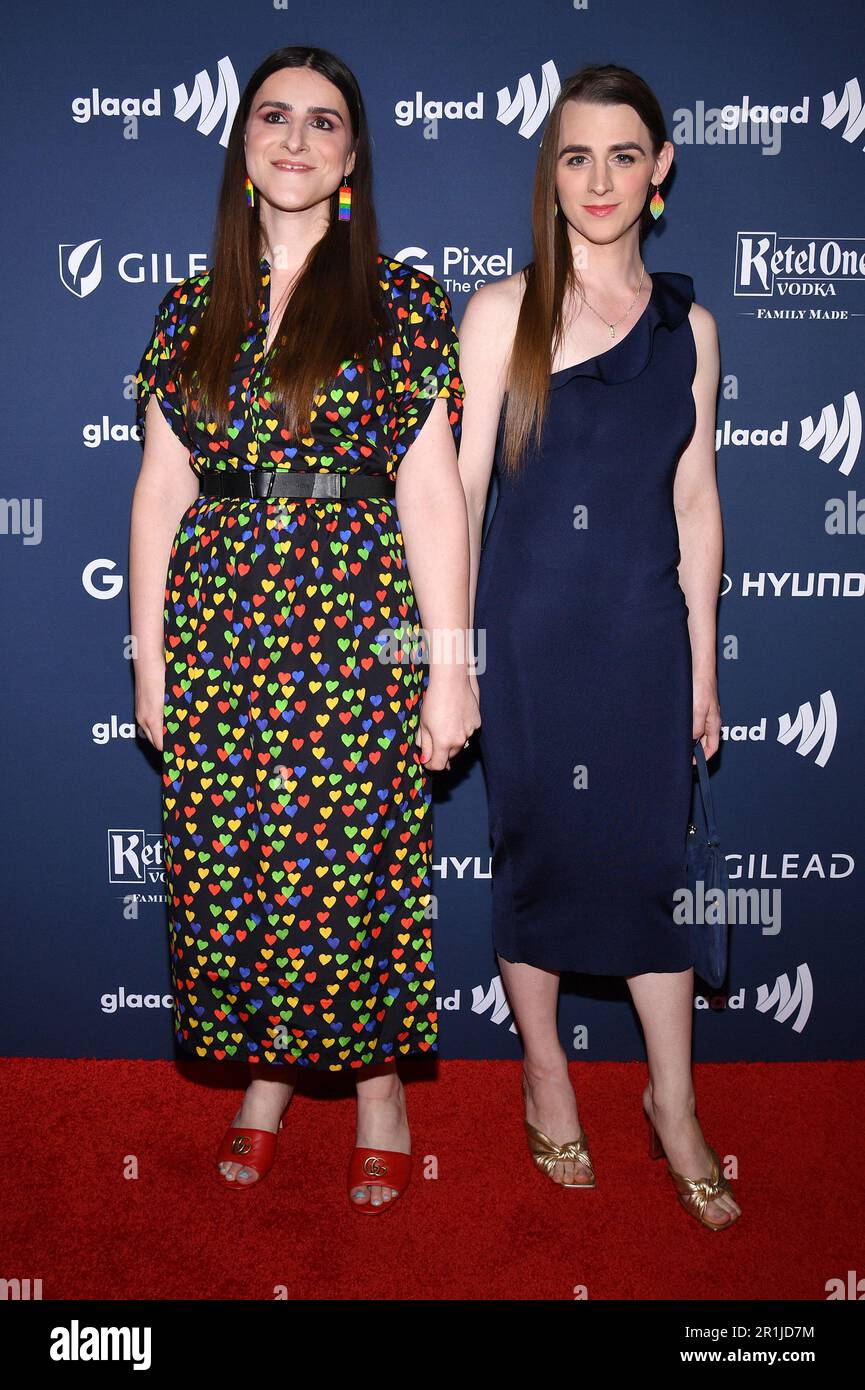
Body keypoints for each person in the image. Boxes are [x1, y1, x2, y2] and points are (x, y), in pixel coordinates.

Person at [129, 45, 478, 1213]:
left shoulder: (405, 300)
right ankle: (269, 1074)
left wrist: (447, 669)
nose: (294, 137)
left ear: (351, 156)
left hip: (355, 615)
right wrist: (150, 659)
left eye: (322, 122)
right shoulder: (192, 307)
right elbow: (162, 493)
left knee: (353, 862)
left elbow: (431, 494)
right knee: (240, 864)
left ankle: (379, 1085)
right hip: (222, 623)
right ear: (241, 146)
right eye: (272, 116)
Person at [457, 64, 741, 1230]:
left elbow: (695, 501)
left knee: (648, 873)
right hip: (525, 644)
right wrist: (450, 654)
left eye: (624, 154)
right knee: (535, 861)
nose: (600, 179)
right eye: (576, 156)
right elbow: (461, 498)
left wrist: (705, 660)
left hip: (638, 641)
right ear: (550, 172)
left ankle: (671, 1103)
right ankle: (547, 1074)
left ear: (661, 167)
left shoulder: (692, 328)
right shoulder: (498, 312)